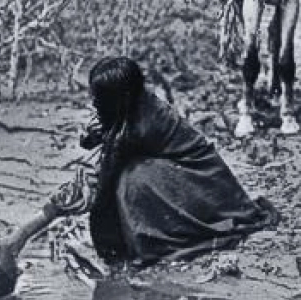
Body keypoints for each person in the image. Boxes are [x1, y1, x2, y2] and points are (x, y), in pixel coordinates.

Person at [80, 56, 277, 265]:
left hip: (204, 183)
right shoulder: (139, 105)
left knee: (133, 180)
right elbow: (107, 136)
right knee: (131, 177)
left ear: (120, 98)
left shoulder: (141, 127)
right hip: (194, 179)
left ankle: (156, 242)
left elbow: (106, 180)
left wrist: (104, 239)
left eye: (100, 99)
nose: (95, 103)